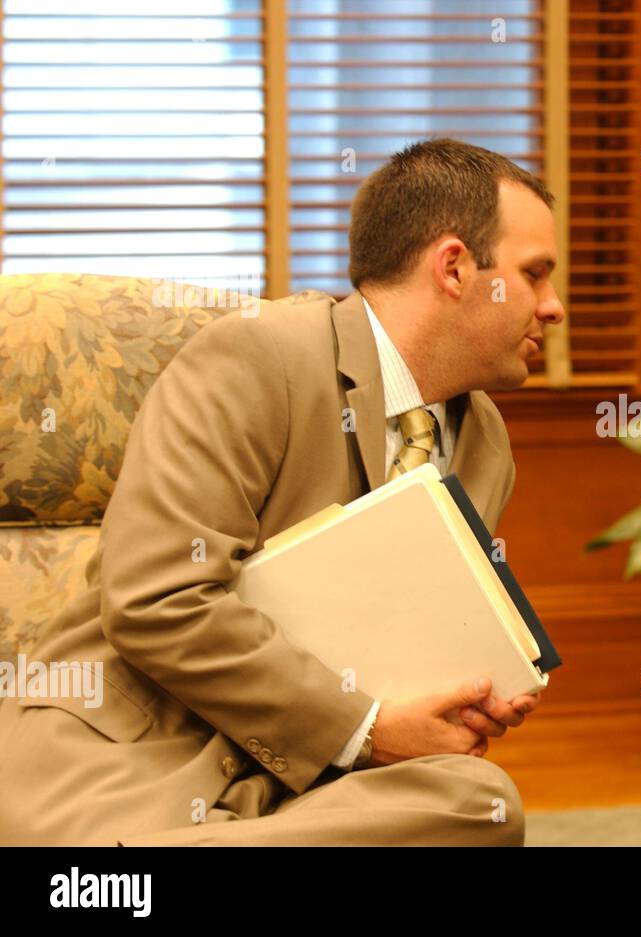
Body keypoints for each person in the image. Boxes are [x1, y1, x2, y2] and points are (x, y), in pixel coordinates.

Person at [0, 139, 565, 845]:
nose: (554, 307)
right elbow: (153, 599)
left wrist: (456, 701)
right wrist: (365, 729)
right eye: (536, 275)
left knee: (480, 803)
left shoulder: (486, 444)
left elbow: (403, 639)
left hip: (305, 787)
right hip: (134, 754)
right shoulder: (256, 355)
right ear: (454, 267)